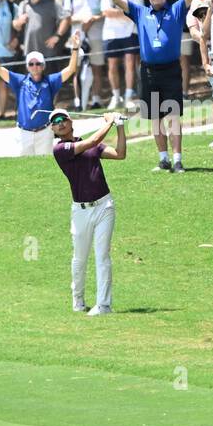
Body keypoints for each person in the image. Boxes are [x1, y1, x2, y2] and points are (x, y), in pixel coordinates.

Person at [100, 0, 205, 172]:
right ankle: (163, 158)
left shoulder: (176, 10)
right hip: (149, 71)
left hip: (171, 70)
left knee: (174, 116)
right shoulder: (140, 12)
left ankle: (177, 160)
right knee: (155, 117)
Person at [51, 108, 127, 315]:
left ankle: (103, 305)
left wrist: (120, 126)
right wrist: (109, 122)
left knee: (102, 255)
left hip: (104, 205)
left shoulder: (90, 145)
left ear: (70, 121)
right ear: (54, 130)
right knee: (80, 257)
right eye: (55, 122)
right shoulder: (61, 149)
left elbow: (120, 154)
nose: (60, 123)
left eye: (63, 119)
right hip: (81, 211)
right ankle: (78, 301)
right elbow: (92, 142)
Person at [0, 34, 79, 155]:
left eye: (38, 63)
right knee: (23, 167)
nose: (35, 66)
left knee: (45, 166)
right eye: (31, 64)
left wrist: (75, 48)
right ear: (27, 67)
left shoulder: (50, 81)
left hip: (45, 132)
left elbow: (71, 69)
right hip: (23, 133)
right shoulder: (20, 81)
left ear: (43, 65)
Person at [102, 0, 141, 112]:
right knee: (112, 65)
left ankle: (128, 96)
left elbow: (138, 11)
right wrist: (126, 12)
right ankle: (116, 95)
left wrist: (119, 12)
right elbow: (106, 11)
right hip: (111, 32)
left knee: (130, 63)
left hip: (131, 31)